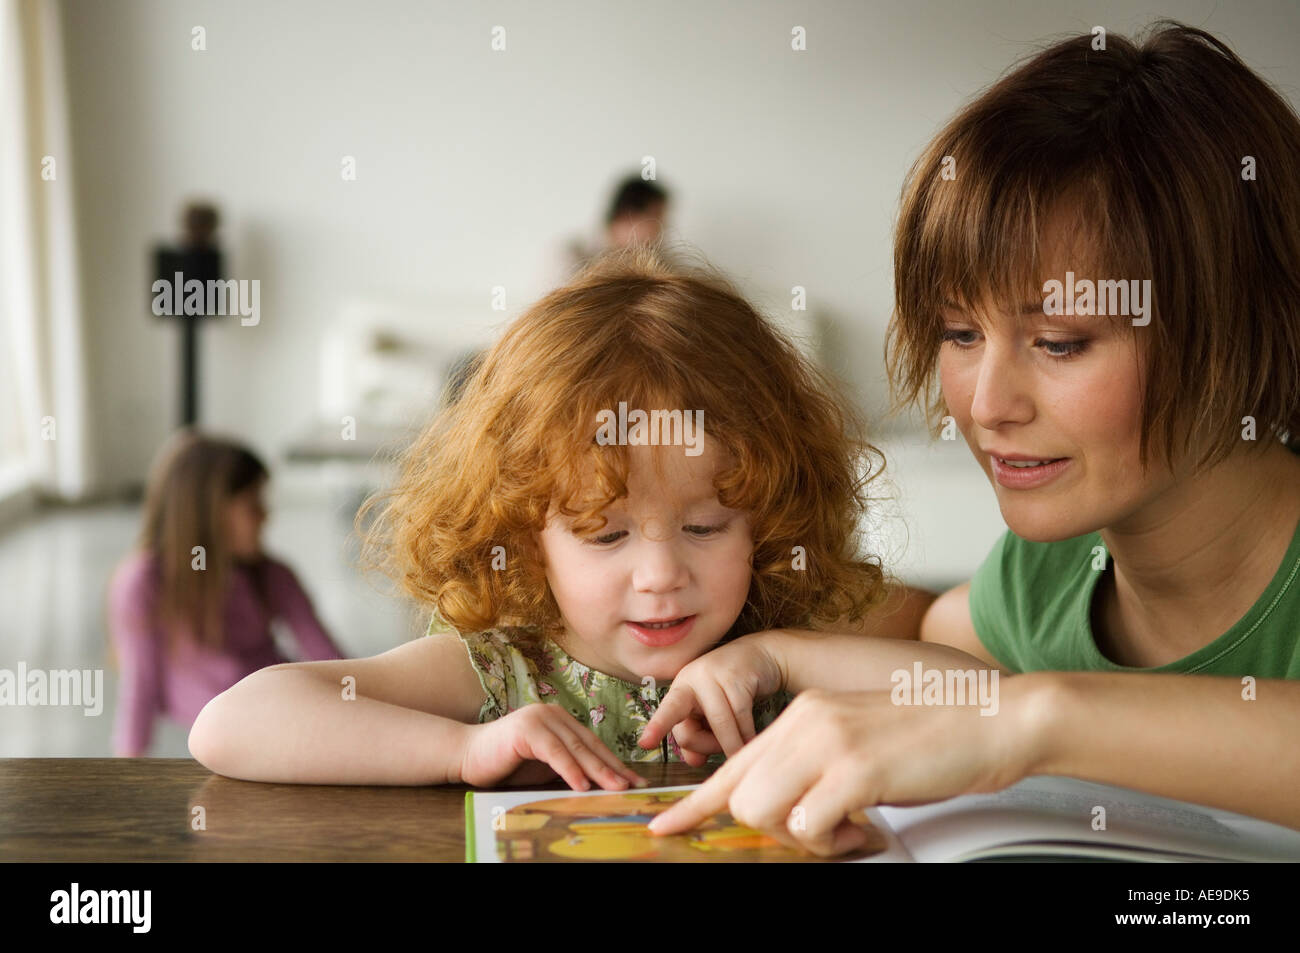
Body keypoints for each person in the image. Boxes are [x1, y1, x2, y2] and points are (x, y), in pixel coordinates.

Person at [647, 20, 1300, 854]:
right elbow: (938, 639)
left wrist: (1031, 716)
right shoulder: (1041, 580)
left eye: (1061, 341)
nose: (986, 404)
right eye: (959, 333)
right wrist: (768, 651)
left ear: (1239, 326)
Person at [186, 245, 963, 786]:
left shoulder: (776, 638)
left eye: (705, 527)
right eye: (606, 534)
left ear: (767, 518)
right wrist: (466, 747)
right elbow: (230, 724)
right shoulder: (506, 669)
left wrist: (785, 661)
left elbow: (983, 696)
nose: (662, 576)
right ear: (528, 538)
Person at [108, 429, 345, 756]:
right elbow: (140, 688)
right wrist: (125, 775)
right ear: (209, 514)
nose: (266, 515)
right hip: (237, 733)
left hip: (289, 713)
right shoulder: (142, 582)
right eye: (252, 503)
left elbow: (334, 662)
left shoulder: (273, 575)